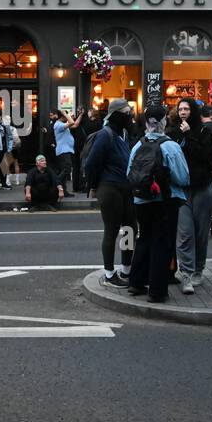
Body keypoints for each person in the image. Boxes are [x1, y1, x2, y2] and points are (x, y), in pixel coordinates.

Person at [124, 105, 189, 304]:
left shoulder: (137, 145)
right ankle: (157, 290)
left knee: (144, 238)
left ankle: (136, 282)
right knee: (162, 243)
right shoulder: (170, 146)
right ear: (164, 122)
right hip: (164, 201)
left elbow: (129, 174)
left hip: (141, 200)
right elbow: (183, 177)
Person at [84, 99, 136, 288]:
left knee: (130, 229)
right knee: (112, 231)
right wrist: (93, 185)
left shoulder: (123, 133)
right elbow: (91, 164)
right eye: (127, 112)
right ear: (116, 115)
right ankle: (109, 274)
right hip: (110, 188)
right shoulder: (106, 135)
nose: (130, 116)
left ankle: (127, 270)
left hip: (126, 188)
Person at [169, 99, 212, 291]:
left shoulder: (203, 132)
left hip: (202, 187)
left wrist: (189, 135)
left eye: (186, 109)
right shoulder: (173, 132)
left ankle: (199, 269)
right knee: (184, 234)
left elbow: (204, 156)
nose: (182, 112)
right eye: (180, 109)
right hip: (182, 189)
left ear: (194, 111)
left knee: (200, 233)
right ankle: (186, 274)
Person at [52, 109, 84, 195]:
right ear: (62, 117)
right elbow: (72, 122)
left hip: (66, 150)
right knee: (66, 170)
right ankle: (55, 184)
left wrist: (80, 115)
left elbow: (75, 124)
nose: (67, 117)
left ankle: (64, 191)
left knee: (65, 170)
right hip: (63, 151)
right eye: (65, 116)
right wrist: (66, 114)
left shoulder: (62, 124)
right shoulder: (58, 125)